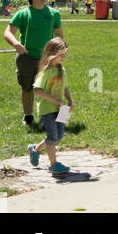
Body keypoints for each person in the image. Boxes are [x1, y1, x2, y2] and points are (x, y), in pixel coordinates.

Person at [4, 0, 63, 128]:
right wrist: (16, 44)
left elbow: (59, 36)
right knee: (28, 88)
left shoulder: (53, 13)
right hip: (27, 58)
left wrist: (60, 52)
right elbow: (8, 32)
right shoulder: (23, 14)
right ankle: (28, 116)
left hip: (48, 59)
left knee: (53, 89)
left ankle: (55, 119)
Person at [28, 37, 74, 176]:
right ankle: (54, 165)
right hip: (47, 110)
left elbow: (65, 87)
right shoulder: (46, 71)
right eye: (61, 55)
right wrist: (55, 101)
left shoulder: (62, 70)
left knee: (58, 137)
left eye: (65, 55)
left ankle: (35, 149)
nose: (63, 58)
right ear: (51, 54)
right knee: (53, 136)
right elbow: (38, 90)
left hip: (61, 109)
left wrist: (70, 101)